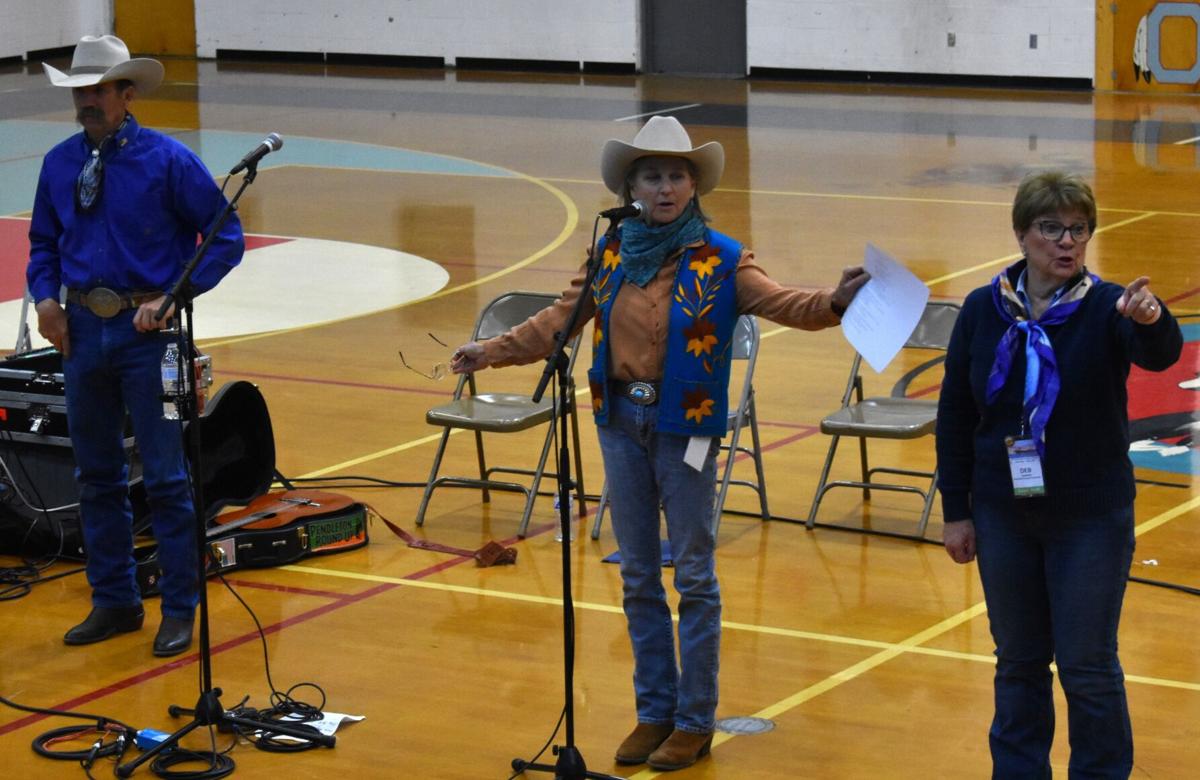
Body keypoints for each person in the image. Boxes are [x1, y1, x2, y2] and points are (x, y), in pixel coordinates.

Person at [450, 116, 868, 771]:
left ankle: (695, 721)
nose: (665, 186)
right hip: (620, 424)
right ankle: (655, 711)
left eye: (677, 175)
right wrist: (492, 351)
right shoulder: (611, 252)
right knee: (640, 576)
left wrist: (837, 300)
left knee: (695, 577)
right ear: (631, 187)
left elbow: (790, 304)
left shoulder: (723, 259)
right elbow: (560, 322)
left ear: (694, 185)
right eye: (652, 176)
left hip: (687, 430)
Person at [935, 171, 1182, 778]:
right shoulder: (981, 309)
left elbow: (1159, 353)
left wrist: (1150, 318)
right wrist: (957, 511)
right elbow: (957, 415)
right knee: (1017, 661)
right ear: (1021, 235)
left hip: (1089, 518)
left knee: (1087, 666)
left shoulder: (1107, 305)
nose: (1066, 242)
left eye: (1078, 230)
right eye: (1051, 229)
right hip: (1003, 512)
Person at [27, 35, 245, 657]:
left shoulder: (168, 161)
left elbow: (223, 237)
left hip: (150, 338)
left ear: (127, 94)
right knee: (96, 476)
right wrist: (46, 299)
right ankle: (115, 601)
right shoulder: (59, 163)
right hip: (79, 333)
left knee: (168, 478)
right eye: (80, 91)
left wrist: (176, 295)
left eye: (98, 90)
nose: (86, 101)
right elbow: (43, 244)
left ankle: (180, 609)